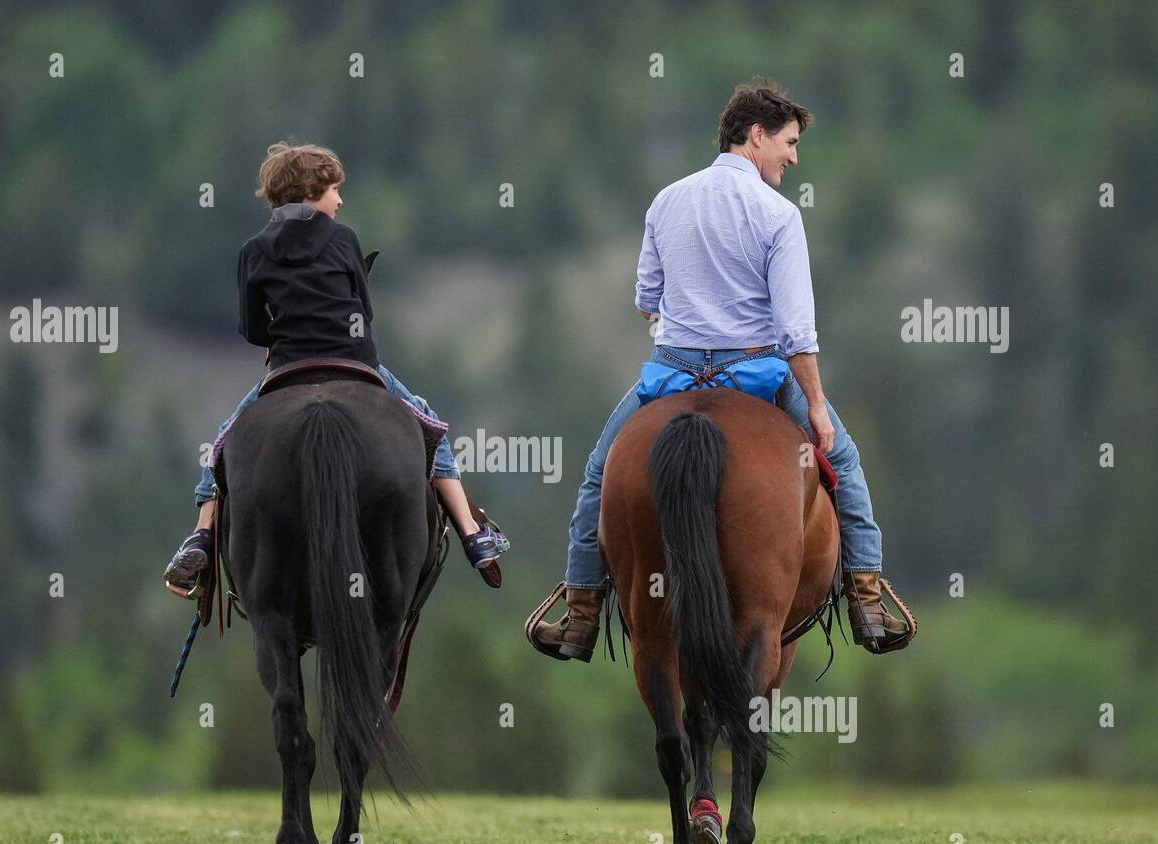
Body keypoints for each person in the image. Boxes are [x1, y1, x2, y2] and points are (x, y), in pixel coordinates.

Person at [528, 79, 913, 662]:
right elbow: (796, 332)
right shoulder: (778, 214)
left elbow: (646, 299)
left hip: (672, 372)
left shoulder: (667, 199)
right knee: (847, 465)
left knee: (597, 474)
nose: (793, 156)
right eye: (787, 142)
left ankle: (581, 610)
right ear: (755, 135)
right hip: (757, 373)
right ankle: (865, 598)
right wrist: (812, 405)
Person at [164, 142, 507, 596]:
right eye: (333, 189)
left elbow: (251, 329)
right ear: (310, 190)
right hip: (354, 361)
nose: (339, 200)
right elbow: (364, 312)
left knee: (224, 444)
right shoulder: (343, 239)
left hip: (287, 366)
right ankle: (471, 533)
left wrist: (284, 339)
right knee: (430, 426)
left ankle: (202, 536)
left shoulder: (254, 250)